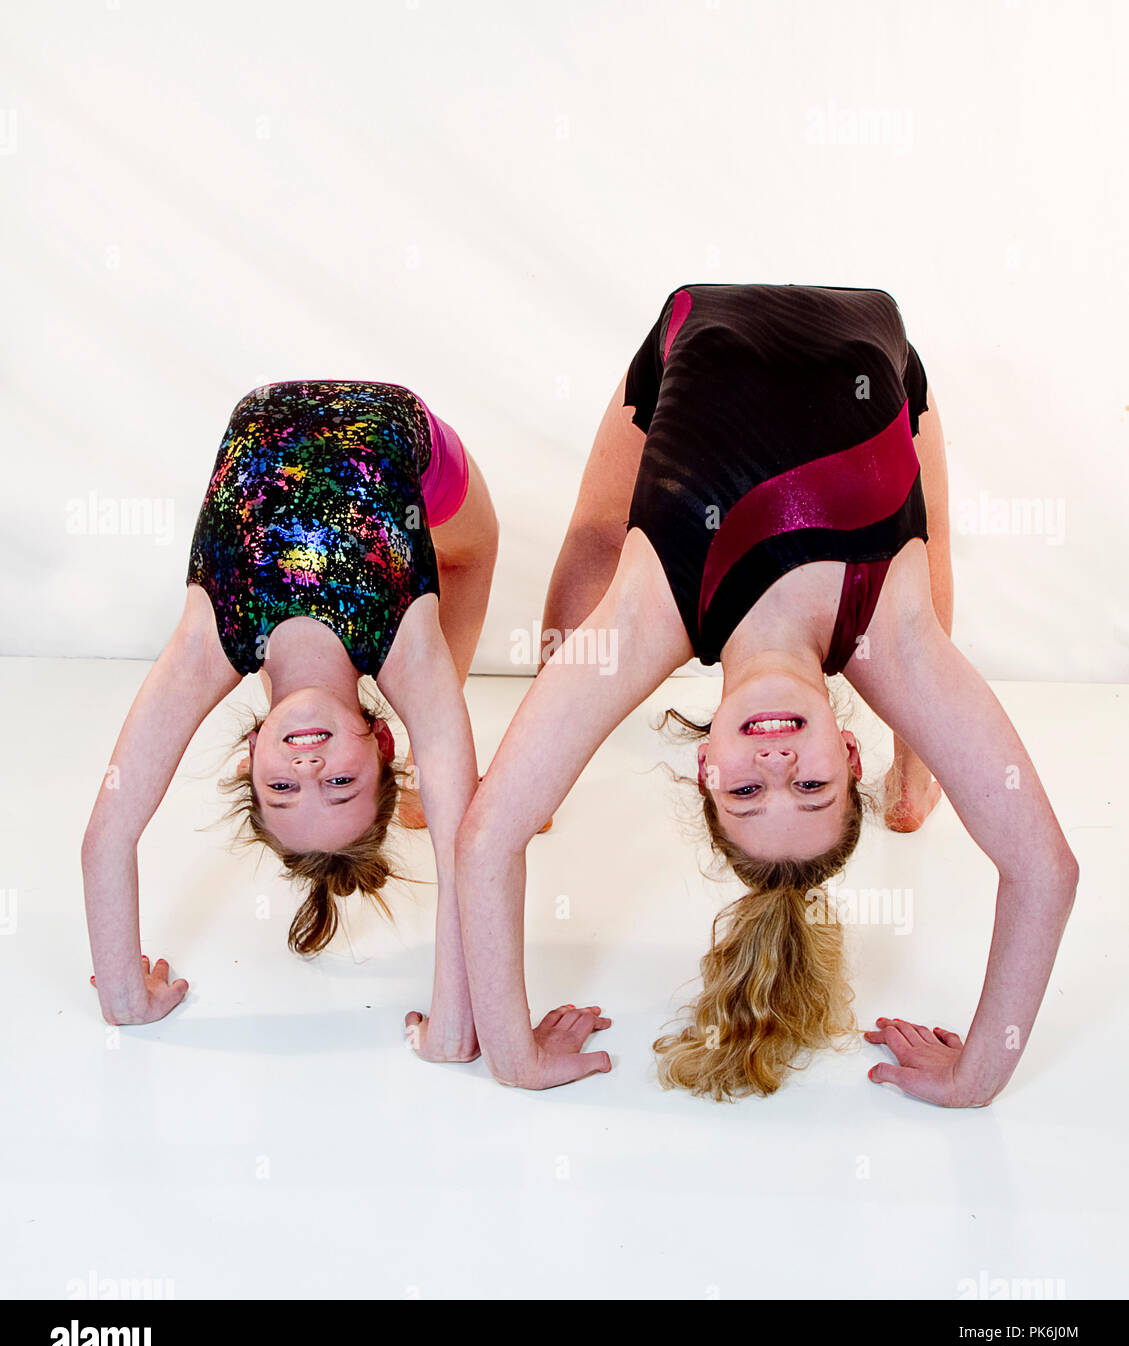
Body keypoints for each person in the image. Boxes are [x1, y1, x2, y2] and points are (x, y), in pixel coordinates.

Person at [453, 283, 1079, 1104]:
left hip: (694, 321)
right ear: (848, 751)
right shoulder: (886, 639)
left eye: (749, 789)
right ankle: (918, 766)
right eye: (812, 784)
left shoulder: (647, 618)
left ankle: (545, 769)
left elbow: (480, 842)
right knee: (928, 573)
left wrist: (513, 1055)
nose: (778, 760)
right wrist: (975, 1078)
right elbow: (1046, 871)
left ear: (705, 762)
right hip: (877, 350)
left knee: (599, 536)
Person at [83, 378, 496, 1064]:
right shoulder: (405, 646)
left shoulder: (211, 640)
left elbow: (106, 836)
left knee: (439, 711)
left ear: (250, 753)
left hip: (266, 400)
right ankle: (439, 757)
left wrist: (126, 997)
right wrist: (451, 1028)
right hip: (408, 428)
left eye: (282, 790)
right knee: (471, 555)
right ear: (381, 742)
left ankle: (440, 754)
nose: (308, 769)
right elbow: (466, 860)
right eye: (340, 784)